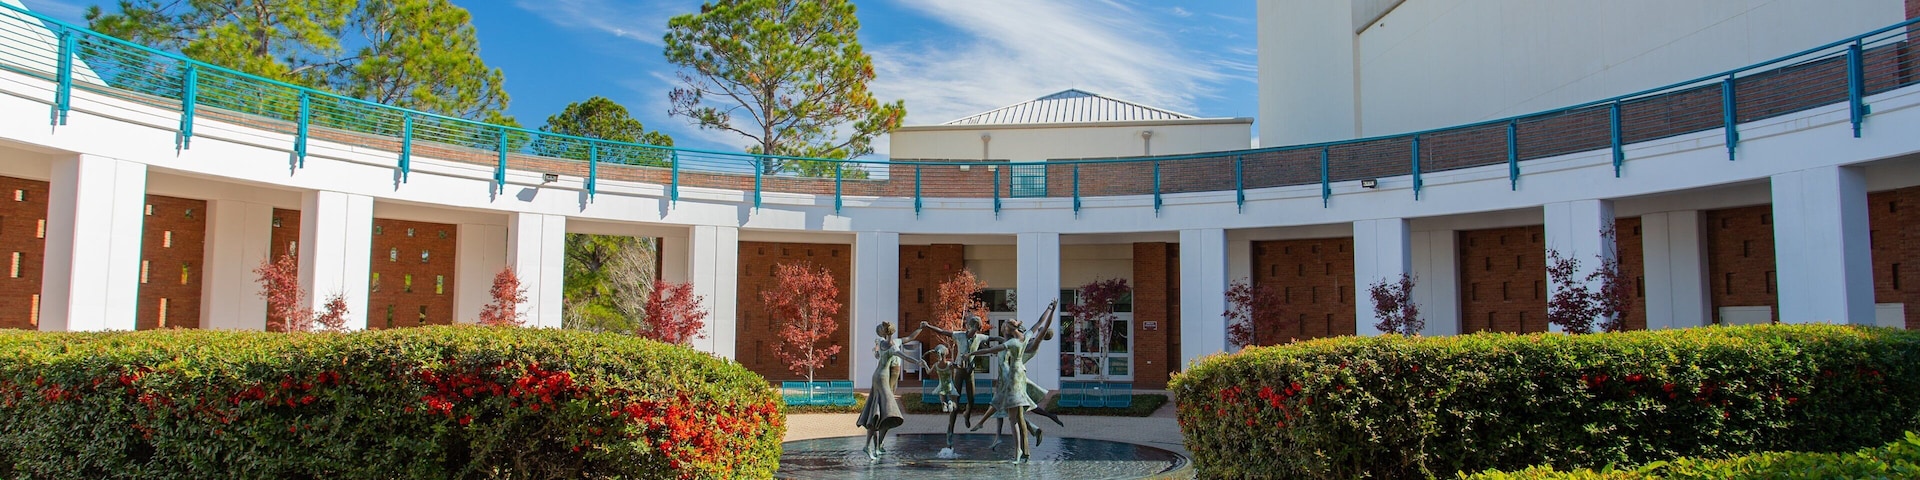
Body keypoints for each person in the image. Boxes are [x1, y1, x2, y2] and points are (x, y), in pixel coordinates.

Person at [910, 311, 988, 446]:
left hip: (970, 372)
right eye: (974, 328)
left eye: (978, 329)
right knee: (955, 402)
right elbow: (942, 332)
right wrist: (928, 326)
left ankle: (967, 414)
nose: (975, 331)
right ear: (970, 327)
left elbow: (994, 340)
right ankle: (950, 431)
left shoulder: (980, 338)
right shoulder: (959, 335)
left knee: (972, 399)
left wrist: (1008, 339)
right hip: (959, 370)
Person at [857, 321, 926, 460]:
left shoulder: (882, 344)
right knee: (884, 410)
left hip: (876, 376)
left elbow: (879, 353)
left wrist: (919, 328)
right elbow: (905, 357)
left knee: (877, 410)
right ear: (892, 332)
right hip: (883, 378)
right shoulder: (892, 347)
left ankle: (873, 446)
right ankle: (871, 446)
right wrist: (918, 362)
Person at [924, 344, 958, 412]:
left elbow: (928, 372)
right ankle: (950, 402)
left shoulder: (936, 365)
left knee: (942, 395)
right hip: (949, 385)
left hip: (941, 386)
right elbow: (956, 367)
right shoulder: (949, 364)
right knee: (954, 401)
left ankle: (944, 404)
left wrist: (925, 364)